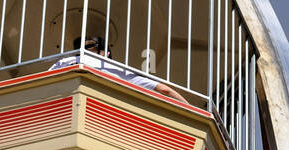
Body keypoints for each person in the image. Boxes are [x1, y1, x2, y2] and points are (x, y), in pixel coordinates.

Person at [49, 35, 186, 104]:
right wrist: (193, 109)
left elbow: (44, 81)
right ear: (107, 54)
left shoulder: (65, 61)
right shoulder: (113, 68)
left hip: (62, 106)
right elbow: (164, 90)